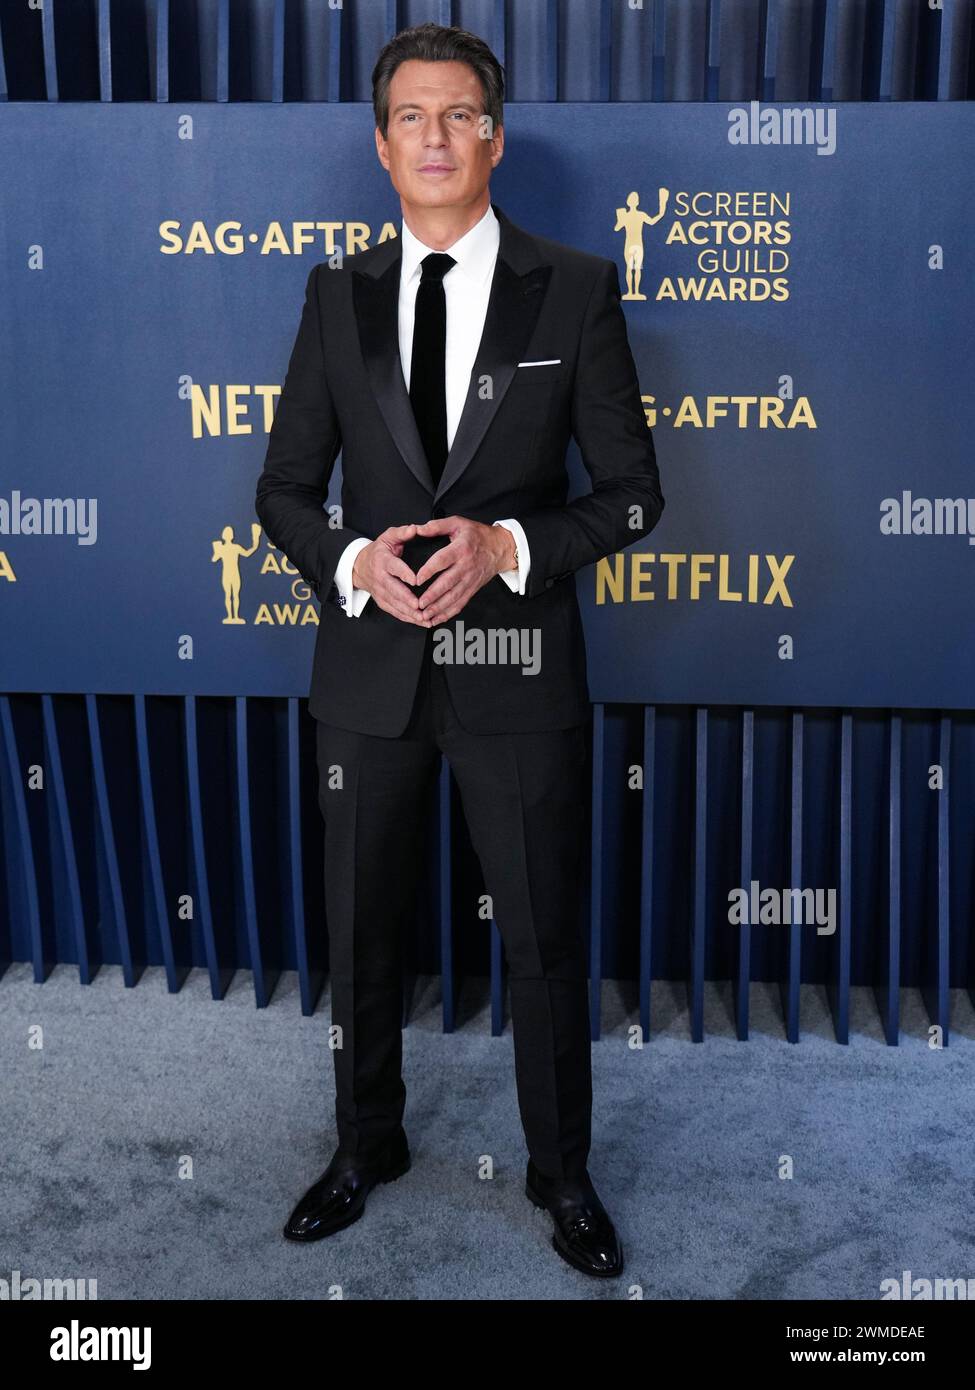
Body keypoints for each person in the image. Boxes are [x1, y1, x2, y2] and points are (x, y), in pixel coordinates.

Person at [254, 20, 664, 1279]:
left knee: (540, 936)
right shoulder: (335, 294)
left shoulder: (580, 287)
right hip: (367, 673)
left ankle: (562, 1172)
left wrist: (506, 547)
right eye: (411, 118)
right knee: (358, 928)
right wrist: (353, 562)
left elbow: (637, 494)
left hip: (521, 671)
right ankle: (362, 1142)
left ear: (494, 135)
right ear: (383, 147)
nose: (436, 137)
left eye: (459, 115)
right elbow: (280, 493)